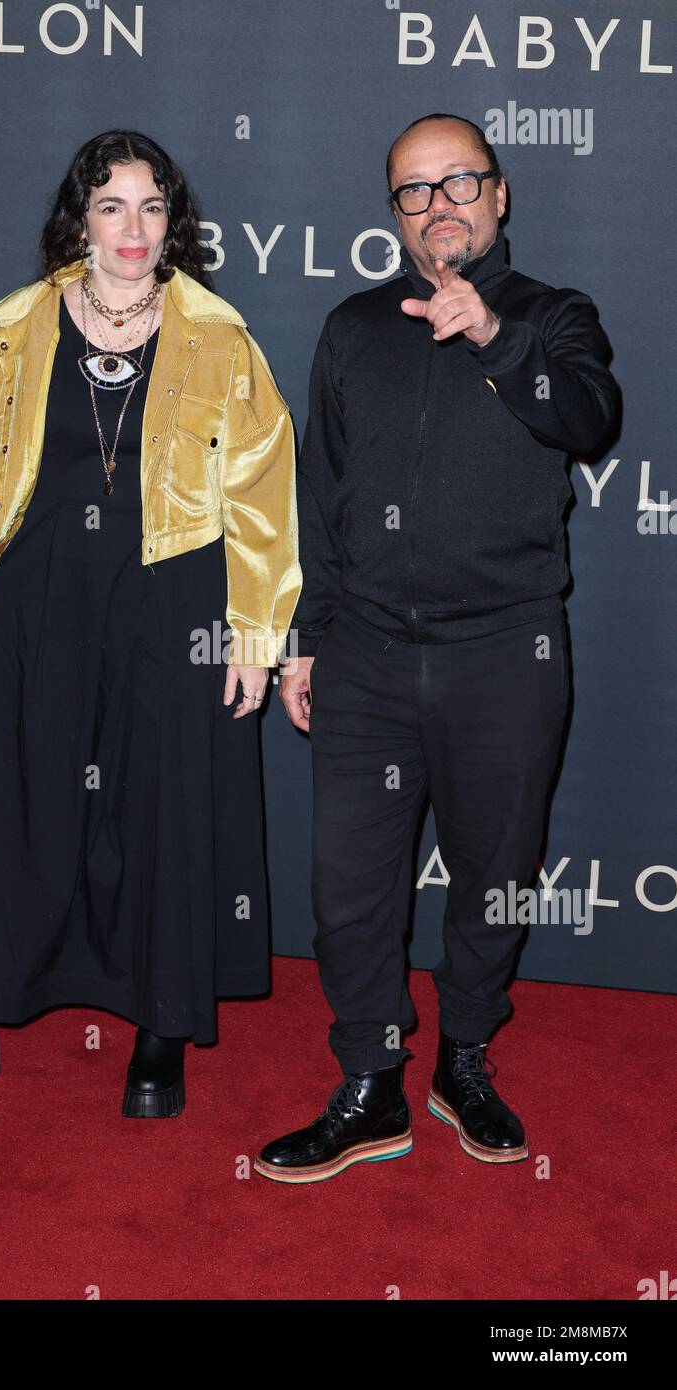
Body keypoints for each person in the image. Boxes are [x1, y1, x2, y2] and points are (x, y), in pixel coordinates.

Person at [0, 129, 302, 1118]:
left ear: (172, 222)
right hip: (46, 592)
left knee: (163, 803)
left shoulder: (219, 339)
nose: (132, 228)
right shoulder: (19, 326)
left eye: (151, 206)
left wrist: (254, 631)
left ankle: (161, 1021)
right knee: (11, 789)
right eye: (112, 206)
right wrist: (1, 558)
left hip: (176, 589)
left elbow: (263, 489)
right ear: (81, 220)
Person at [256, 112, 620, 1182]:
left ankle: (463, 1058)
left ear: (498, 193)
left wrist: (496, 337)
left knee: (493, 875)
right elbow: (320, 492)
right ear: (396, 214)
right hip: (365, 654)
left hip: (505, 653)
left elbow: (589, 419)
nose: (438, 205)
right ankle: (370, 1082)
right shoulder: (353, 326)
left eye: (459, 181)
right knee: (349, 888)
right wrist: (304, 640)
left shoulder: (552, 315)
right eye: (413, 190)